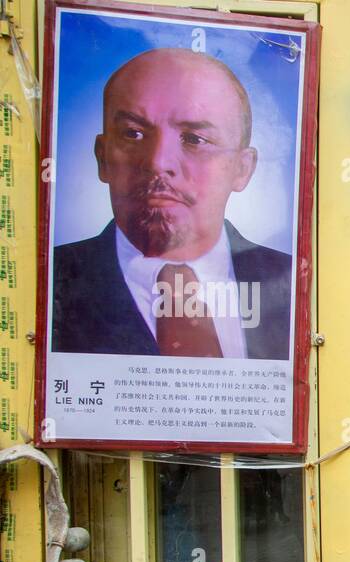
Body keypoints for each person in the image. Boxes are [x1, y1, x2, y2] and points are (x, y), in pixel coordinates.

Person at [51, 48, 292, 359]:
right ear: (103, 157)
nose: (158, 162)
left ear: (242, 168)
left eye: (194, 139)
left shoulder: (295, 284)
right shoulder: (47, 280)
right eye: (133, 133)